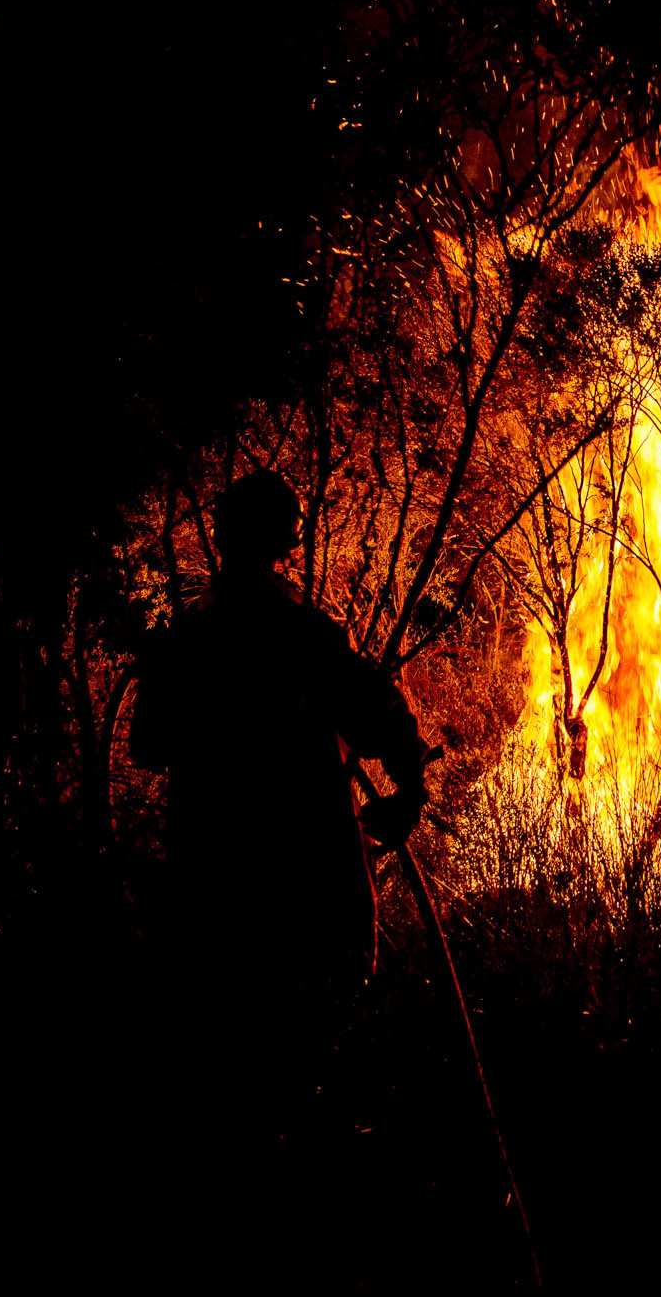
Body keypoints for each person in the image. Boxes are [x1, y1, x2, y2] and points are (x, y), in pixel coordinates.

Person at [130, 469, 428, 1268]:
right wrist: (409, 789)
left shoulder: (189, 640)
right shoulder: (305, 637)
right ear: (286, 543)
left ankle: (240, 1229)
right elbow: (381, 717)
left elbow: (147, 745)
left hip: (213, 893)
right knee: (303, 1063)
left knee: (226, 1076)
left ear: (226, 542)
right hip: (307, 893)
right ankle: (303, 1233)